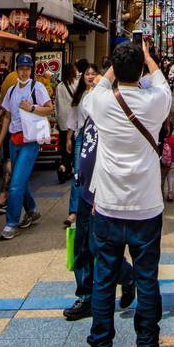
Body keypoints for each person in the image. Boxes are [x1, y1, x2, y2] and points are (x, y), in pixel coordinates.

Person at [82, 39, 171, 347]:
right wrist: (147, 57)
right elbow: (161, 80)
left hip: (107, 206)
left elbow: (102, 84)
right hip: (146, 207)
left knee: (104, 280)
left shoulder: (101, 101)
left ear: (115, 70)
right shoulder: (156, 100)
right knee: (147, 279)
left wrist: (116, 66)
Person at [64, 67, 135, 322]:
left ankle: (126, 276)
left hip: (102, 191)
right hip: (84, 185)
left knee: (97, 246)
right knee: (83, 245)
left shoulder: (117, 111)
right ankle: (85, 295)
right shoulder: (93, 103)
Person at [0, 53, 53, 240]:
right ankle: (32, 210)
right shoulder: (10, 91)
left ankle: (11, 223)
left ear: (31, 69)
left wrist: (32, 108)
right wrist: (0, 141)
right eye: (21, 68)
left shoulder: (38, 87)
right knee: (21, 179)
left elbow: (49, 108)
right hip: (14, 140)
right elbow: (7, 117)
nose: (24, 71)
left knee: (15, 182)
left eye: (27, 68)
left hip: (30, 141)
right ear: (16, 69)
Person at [65, 63, 97, 226]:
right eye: (87, 74)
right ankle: (74, 211)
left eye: (93, 73)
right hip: (81, 136)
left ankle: (93, 205)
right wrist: (69, 138)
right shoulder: (79, 95)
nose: (90, 76)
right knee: (77, 172)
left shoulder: (101, 94)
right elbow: (72, 118)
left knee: (94, 171)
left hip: (97, 138)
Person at [55, 63, 77, 186]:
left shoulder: (59, 86)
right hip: (72, 120)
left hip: (62, 120)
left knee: (64, 147)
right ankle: (64, 167)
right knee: (71, 147)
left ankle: (66, 169)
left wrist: (57, 119)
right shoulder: (75, 83)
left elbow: (57, 105)